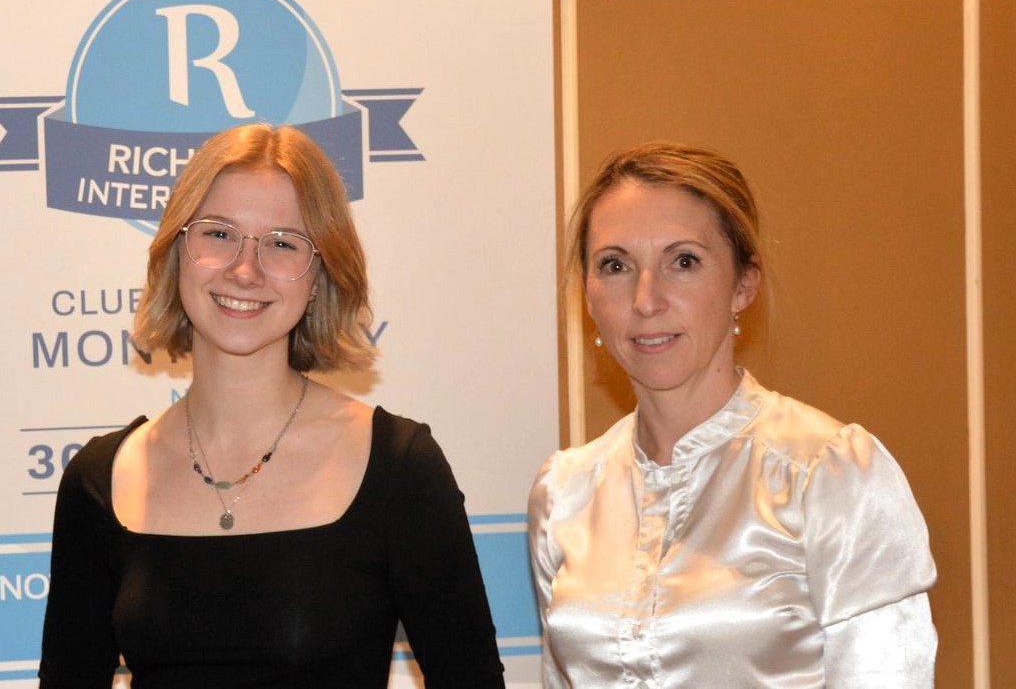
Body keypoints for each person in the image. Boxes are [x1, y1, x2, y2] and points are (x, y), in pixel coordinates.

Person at [39, 123, 505, 688]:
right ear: (176, 252)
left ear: (319, 276)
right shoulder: (99, 479)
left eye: (283, 243)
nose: (244, 269)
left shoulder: (401, 468)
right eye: (218, 235)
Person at [528, 142, 937, 688]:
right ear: (588, 293)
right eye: (615, 265)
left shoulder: (830, 474)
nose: (646, 299)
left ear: (744, 284)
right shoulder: (564, 492)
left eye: (684, 261)